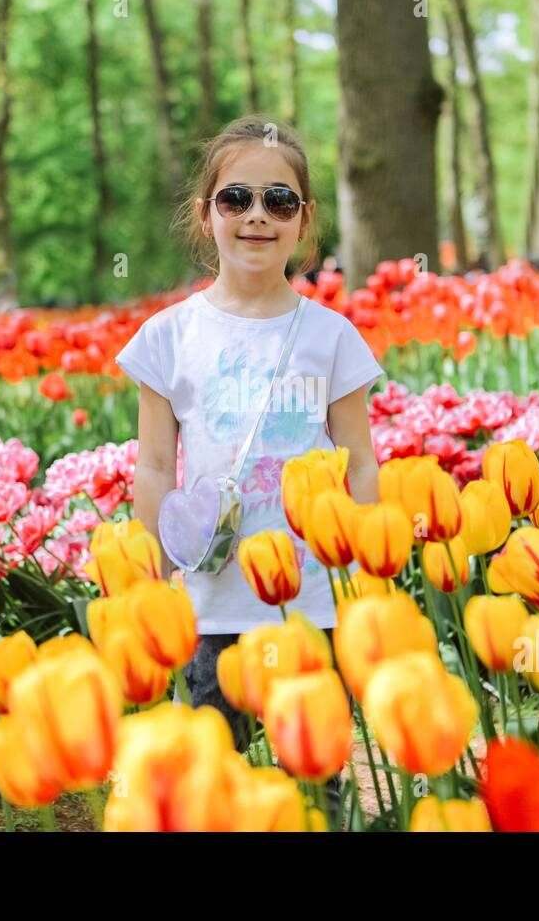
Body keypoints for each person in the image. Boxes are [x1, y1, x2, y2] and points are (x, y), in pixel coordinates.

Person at [115, 114, 383, 801]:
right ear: (206, 215)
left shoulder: (332, 336)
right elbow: (153, 464)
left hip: (312, 605)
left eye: (279, 200)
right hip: (211, 604)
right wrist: (154, 569)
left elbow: (358, 460)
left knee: (314, 782)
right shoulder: (169, 337)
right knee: (212, 788)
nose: (257, 216)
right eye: (237, 198)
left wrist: (367, 566)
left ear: (304, 219)